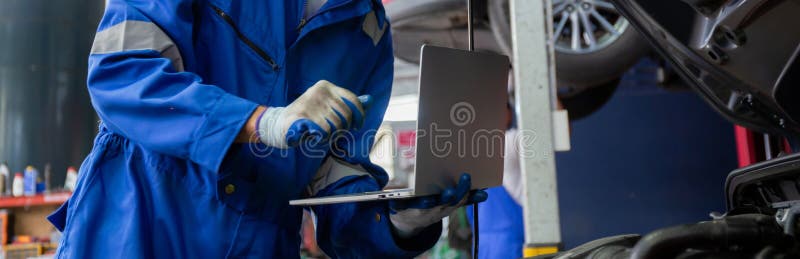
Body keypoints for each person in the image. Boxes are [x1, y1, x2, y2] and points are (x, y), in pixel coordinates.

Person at [47, 0, 486, 257]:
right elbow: (122, 74)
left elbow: (333, 175)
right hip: (139, 231)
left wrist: (399, 224)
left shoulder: (366, 32)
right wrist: (259, 121)